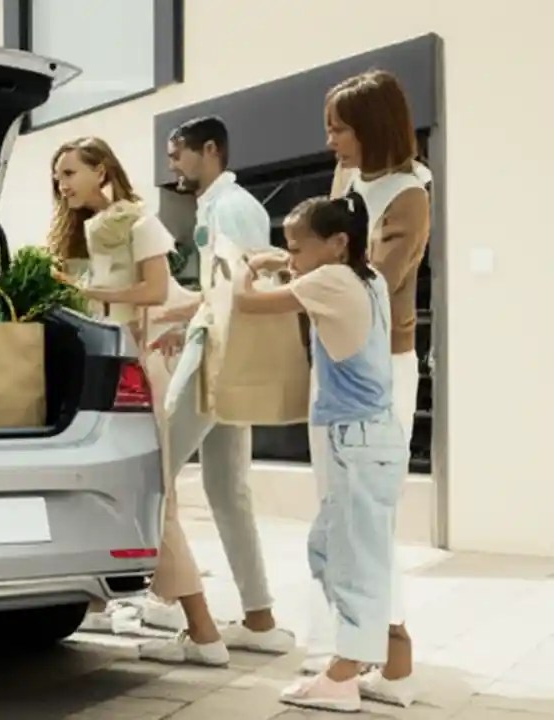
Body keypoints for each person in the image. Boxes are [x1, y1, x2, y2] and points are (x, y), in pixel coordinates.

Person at [47, 137, 230, 666]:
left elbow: (154, 292)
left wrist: (87, 294)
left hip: (137, 368)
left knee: (156, 496)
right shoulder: (89, 228)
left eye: (70, 173)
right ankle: (176, 621)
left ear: (101, 170)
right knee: (135, 492)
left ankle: (203, 631)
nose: (62, 184)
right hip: (106, 366)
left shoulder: (140, 222)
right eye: (58, 177)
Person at [128, 116, 294, 658]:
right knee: (228, 490)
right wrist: (182, 321)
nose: (171, 163)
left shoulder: (233, 207)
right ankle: (260, 619)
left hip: (217, 356)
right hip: (218, 352)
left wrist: (174, 318)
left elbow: (235, 290)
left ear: (210, 150)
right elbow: (218, 291)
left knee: (154, 469)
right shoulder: (218, 206)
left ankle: (172, 605)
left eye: (178, 153)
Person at [236, 193, 407, 713]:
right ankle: (388, 665)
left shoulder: (327, 280)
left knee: (349, 559)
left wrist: (247, 269)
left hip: (353, 440)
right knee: (343, 552)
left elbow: (249, 304)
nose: (291, 256)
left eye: (296, 247)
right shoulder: (367, 278)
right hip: (375, 436)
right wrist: (281, 260)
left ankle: (343, 675)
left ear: (337, 243)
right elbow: (297, 278)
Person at [295, 69, 430, 706]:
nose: (330, 141)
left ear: (372, 128)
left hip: (379, 372)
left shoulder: (409, 193)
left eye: (340, 128)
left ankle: (378, 660)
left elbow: (364, 280)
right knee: (340, 515)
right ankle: (366, 654)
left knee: (363, 517)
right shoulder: (352, 181)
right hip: (338, 364)